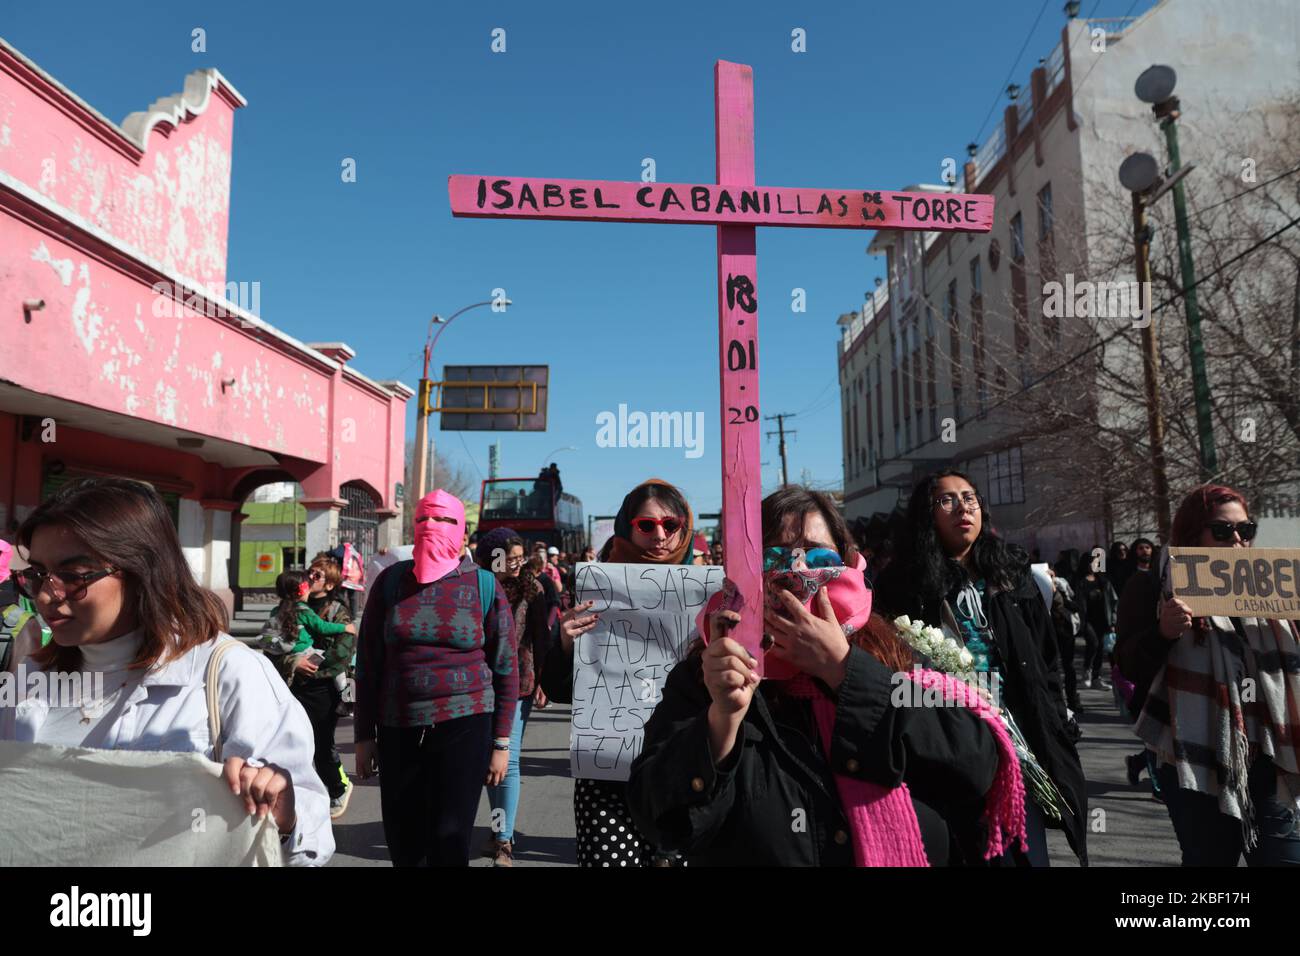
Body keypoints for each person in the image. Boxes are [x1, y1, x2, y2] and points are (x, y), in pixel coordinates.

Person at [627, 487, 1018, 866]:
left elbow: (973, 765)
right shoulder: (710, 673)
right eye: (776, 556)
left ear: (846, 561)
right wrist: (720, 724)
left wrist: (844, 671)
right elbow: (659, 818)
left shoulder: (893, 651)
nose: (798, 571)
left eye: (816, 555)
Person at [0, 477, 332, 864]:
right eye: (38, 574)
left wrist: (284, 813)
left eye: (74, 576)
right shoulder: (31, 680)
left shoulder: (226, 674)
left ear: (140, 570)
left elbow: (313, 843)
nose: (45, 595)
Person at [873, 469, 1088, 865]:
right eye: (947, 500)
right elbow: (891, 669)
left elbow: (1046, 660)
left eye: (969, 498)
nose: (962, 508)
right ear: (927, 514)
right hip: (949, 741)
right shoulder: (903, 584)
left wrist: (1059, 718)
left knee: (1027, 850)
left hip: (1021, 738)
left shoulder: (1010, 572)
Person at [1121, 484, 1300, 865]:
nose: (1236, 539)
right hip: (1194, 759)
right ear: (1193, 534)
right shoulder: (1154, 585)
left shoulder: (1272, 583)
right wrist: (1163, 634)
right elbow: (1128, 666)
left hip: (1266, 755)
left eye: (1245, 530)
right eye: (1221, 531)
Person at [354, 490, 518, 867]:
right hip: (399, 727)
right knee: (404, 841)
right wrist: (364, 735)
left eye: (444, 521)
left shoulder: (484, 586)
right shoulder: (391, 582)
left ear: (463, 535)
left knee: (450, 839)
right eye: (425, 519)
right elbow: (368, 663)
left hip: (465, 726)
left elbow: (506, 668)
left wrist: (502, 743)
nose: (433, 528)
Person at [538, 478, 695, 867]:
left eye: (671, 525)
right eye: (646, 525)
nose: (659, 535)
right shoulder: (597, 592)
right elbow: (560, 690)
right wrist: (565, 644)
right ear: (627, 527)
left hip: (686, 777)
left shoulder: (709, 596)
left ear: (684, 530)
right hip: (608, 777)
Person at [475, 528, 551, 866]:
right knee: (490, 765)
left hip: (519, 682)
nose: (517, 563)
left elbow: (540, 637)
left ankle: (504, 840)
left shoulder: (533, 588)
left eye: (521, 556)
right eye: (511, 557)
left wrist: (544, 680)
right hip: (477, 683)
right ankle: (498, 829)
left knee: (508, 759)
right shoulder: (475, 586)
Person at [293, 556, 358, 818]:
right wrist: (291, 662)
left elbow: (342, 651)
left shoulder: (337, 611)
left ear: (330, 585)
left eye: (317, 575)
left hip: (324, 687)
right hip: (295, 683)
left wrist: (309, 662)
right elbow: (274, 641)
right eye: (310, 572)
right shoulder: (292, 607)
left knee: (322, 743)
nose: (310, 577)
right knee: (295, 742)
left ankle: (338, 787)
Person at [1072, 552, 1117, 691]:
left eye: (1098, 563)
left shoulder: (1103, 581)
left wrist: (1113, 621)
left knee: (1099, 648)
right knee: (1093, 643)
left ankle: (1096, 677)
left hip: (1102, 620)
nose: (1096, 565)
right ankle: (1087, 673)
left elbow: (1113, 601)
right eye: (1094, 562)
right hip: (1085, 620)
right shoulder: (1079, 581)